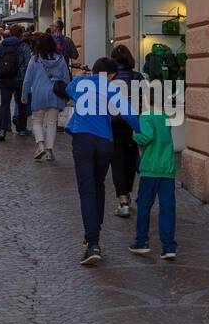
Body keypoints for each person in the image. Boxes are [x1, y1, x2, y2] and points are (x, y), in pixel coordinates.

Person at [57, 59, 139, 266]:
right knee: (98, 184)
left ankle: (92, 242)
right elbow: (127, 112)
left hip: (82, 140)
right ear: (111, 75)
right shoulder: (109, 86)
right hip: (104, 142)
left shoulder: (79, 83)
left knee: (87, 190)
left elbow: (63, 90)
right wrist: (144, 130)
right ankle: (95, 231)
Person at [129, 105, 178, 261]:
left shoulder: (145, 116)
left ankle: (141, 241)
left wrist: (135, 136)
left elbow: (147, 136)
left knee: (144, 205)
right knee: (167, 207)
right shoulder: (165, 117)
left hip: (151, 167)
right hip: (168, 167)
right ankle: (169, 246)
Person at [22, 33, 69, 162]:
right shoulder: (60, 59)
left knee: (36, 121)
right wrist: (67, 94)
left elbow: (27, 80)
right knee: (52, 123)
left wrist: (24, 94)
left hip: (39, 95)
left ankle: (40, 145)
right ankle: (49, 151)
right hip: (55, 95)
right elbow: (66, 78)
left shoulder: (35, 60)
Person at [109, 44, 144, 217]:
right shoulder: (137, 76)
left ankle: (123, 199)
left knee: (117, 163)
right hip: (132, 124)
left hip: (113, 125)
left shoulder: (109, 78)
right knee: (130, 160)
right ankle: (128, 194)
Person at [0, 23, 32, 141]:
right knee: (22, 104)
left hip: (5, 79)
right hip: (20, 80)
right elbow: (27, 63)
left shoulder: (1, 46)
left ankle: (3, 129)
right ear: (20, 34)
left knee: (4, 104)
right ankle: (22, 129)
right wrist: (26, 79)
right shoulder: (24, 46)